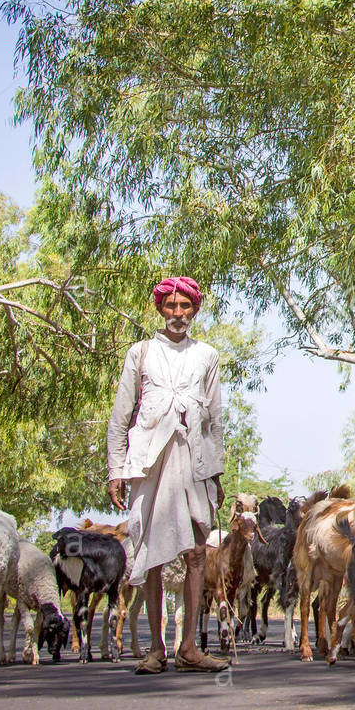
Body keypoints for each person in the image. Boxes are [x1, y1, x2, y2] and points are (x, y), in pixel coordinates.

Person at [106, 275, 228, 673]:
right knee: (152, 550)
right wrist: (116, 470)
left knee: (195, 552)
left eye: (185, 306)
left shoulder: (207, 355)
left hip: (193, 460)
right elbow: (121, 415)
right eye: (171, 306)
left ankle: (189, 647)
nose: (178, 313)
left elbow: (214, 419)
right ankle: (156, 649)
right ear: (160, 308)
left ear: (194, 309)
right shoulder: (140, 353)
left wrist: (216, 471)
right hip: (148, 461)